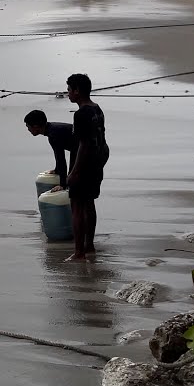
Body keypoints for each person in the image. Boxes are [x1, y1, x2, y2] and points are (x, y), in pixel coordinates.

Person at [65, 73, 108, 261]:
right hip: (96, 164)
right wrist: (101, 162)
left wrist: (74, 171)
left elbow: (83, 144)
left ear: (77, 91)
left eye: (69, 90)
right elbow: (102, 140)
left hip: (83, 166)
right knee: (89, 204)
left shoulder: (81, 114)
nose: (67, 94)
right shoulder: (97, 109)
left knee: (77, 207)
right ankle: (89, 246)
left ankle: (79, 252)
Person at [25, 109, 76, 188]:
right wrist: (57, 170)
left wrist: (62, 185)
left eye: (28, 127)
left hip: (86, 150)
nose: (28, 130)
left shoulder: (53, 135)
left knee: (73, 181)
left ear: (36, 126)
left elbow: (61, 159)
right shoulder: (52, 129)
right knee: (71, 178)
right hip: (77, 149)